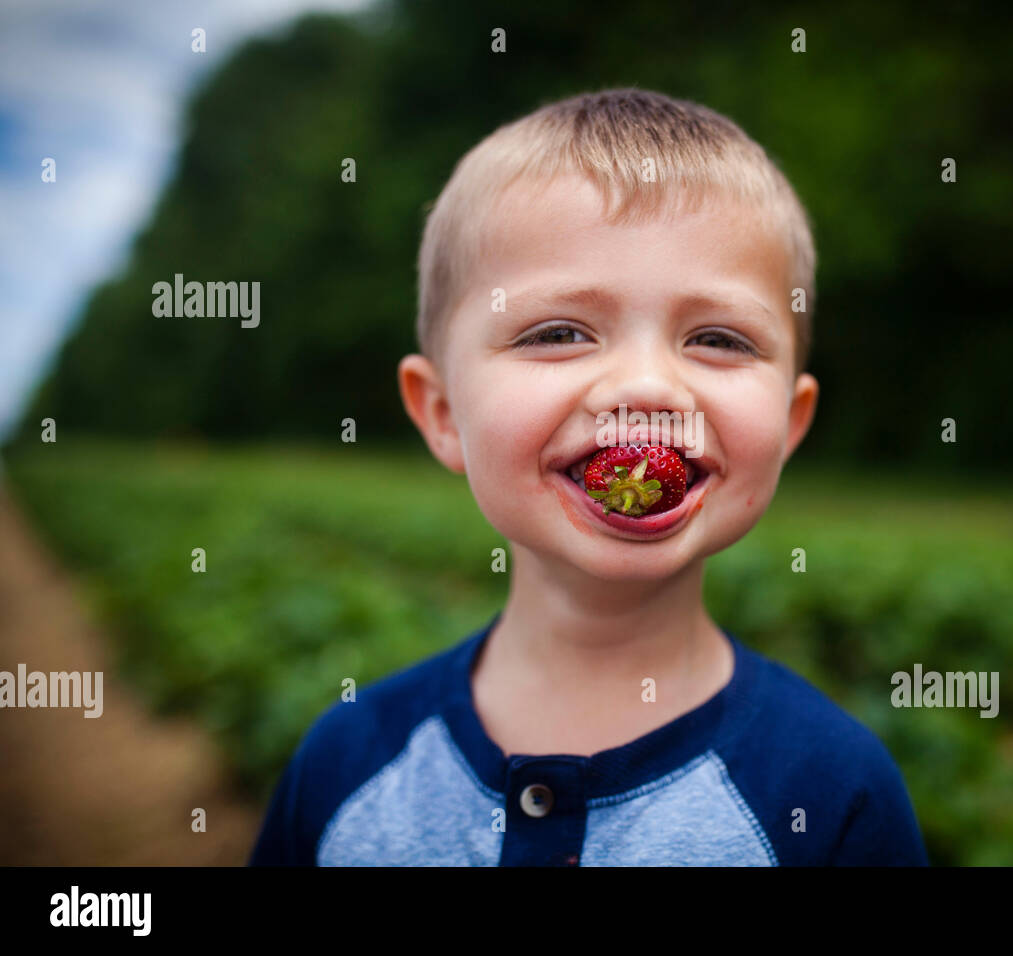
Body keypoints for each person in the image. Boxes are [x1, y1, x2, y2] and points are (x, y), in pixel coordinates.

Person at [249, 87, 927, 866]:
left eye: (718, 338)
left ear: (789, 423)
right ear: (441, 413)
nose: (646, 387)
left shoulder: (836, 792)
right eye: (560, 332)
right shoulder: (345, 766)